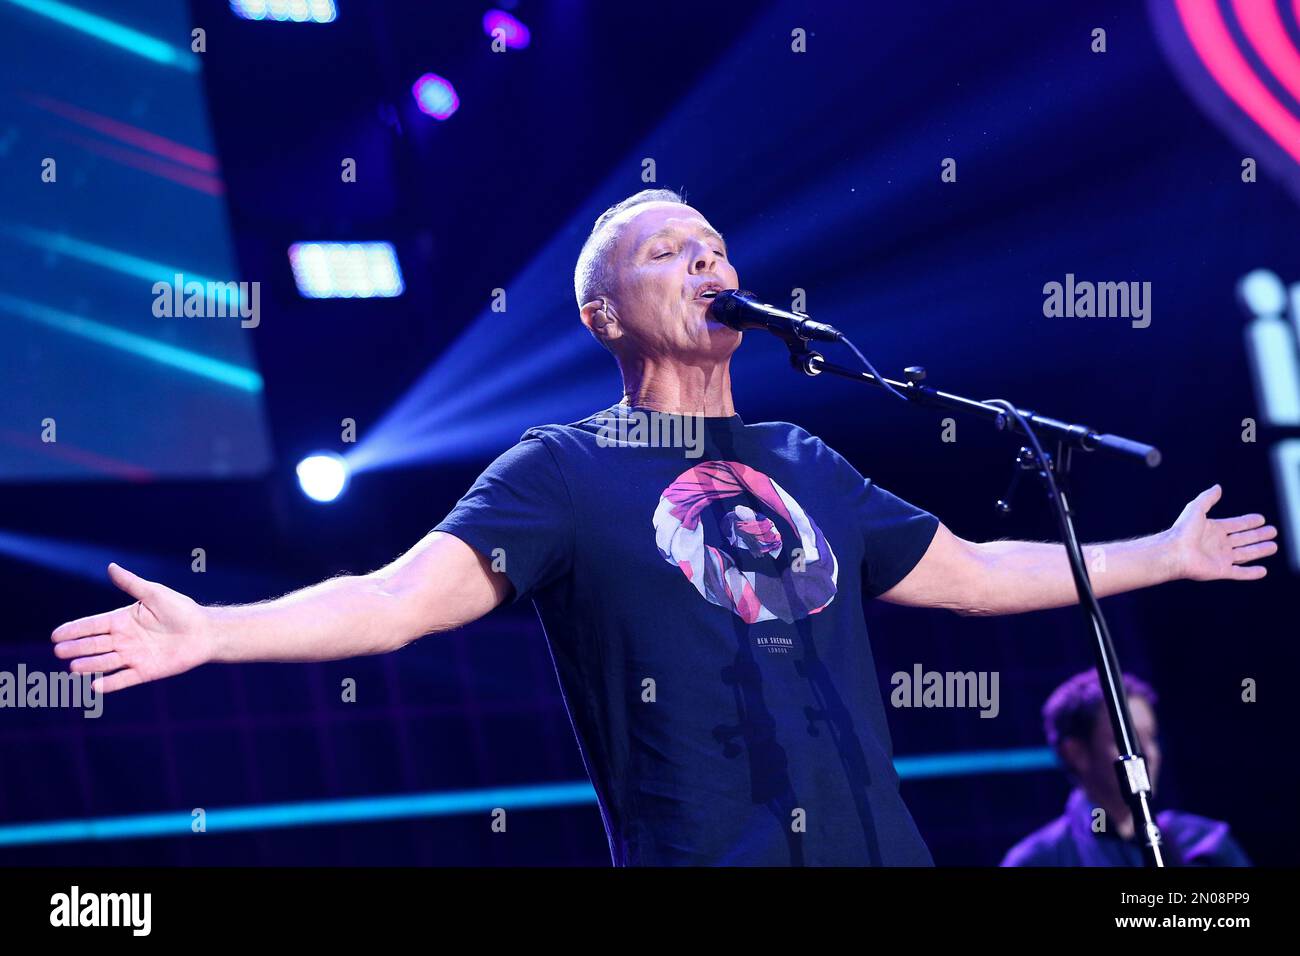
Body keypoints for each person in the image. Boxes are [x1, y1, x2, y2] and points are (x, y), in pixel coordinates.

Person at [51, 189, 1279, 866]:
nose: (705, 261)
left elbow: (966, 573)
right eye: (667, 252)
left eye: (714, 246)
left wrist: (1160, 556)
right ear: (602, 313)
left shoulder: (806, 455)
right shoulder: (562, 471)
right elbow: (390, 598)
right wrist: (215, 627)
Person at [1001, 671, 1251, 866]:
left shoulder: (1206, 843)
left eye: (1151, 737)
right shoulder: (1037, 860)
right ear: (1076, 753)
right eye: (1129, 742)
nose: (1148, 754)